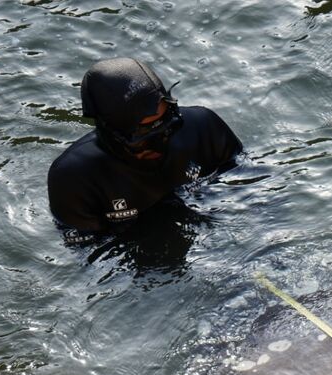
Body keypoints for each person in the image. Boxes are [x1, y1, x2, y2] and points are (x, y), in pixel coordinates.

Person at [47, 57, 242, 245]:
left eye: (167, 130)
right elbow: (91, 257)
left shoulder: (203, 128)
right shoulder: (73, 179)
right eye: (143, 140)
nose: (158, 146)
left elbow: (247, 192)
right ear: (110, 131)